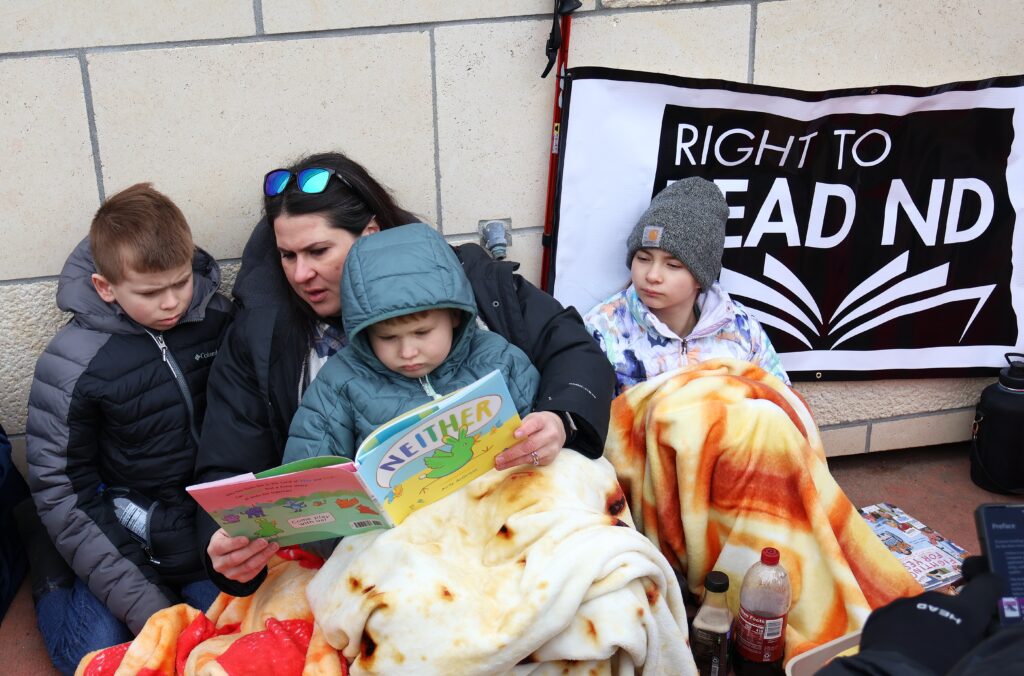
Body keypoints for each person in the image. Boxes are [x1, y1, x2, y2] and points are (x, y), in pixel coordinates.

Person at [195, 152, 615, 595]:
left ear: (370, 235)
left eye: (319, 251)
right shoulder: (263, 331)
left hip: (511, 511)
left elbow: (571, 348)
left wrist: (560, 418)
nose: (302, 274)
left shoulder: (465, 279)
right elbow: (226, 467)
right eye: (287, 255)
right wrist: (224, 547)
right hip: (385, 560)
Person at [25, 183, 234, 673]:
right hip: (124, 535)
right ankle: (50, 576)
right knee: (97, 654)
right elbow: (62, 488)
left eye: (181, 282)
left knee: (223, 646)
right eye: (150, 292)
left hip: (203, 532)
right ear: (105, 287)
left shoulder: (218, 319)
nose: (172, 303)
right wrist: (148, 607)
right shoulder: (72, 363)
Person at [284, 222, 539, 463]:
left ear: (455, 316)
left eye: (422, 332)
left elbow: (540, 431)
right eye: (387, 337)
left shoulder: (499, 359)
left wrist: (546, 432)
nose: (407, 352)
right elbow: (310, 469)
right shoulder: (339, 383)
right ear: (363, 332)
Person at [583, 176, 790, 394]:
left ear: (700, 277)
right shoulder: (602, 329)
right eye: (643, 259)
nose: (652, 275)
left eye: (672, 265)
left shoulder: (741, 328)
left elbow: (782, 404)